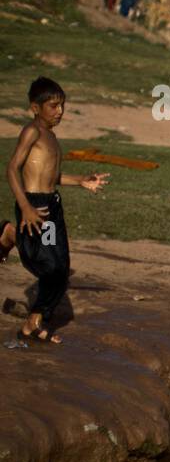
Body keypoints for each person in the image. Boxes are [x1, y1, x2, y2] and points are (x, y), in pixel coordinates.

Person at [4, 77, 109, 343]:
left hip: (51, 208)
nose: (60, 111)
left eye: (62, 105)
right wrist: (25, 207)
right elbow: (12, 168)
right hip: (34, 206)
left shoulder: (51, 137)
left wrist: (81, 180)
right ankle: (9, 234)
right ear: (35, 107)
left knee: (59, 266)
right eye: (53, 105)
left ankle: (34, 322)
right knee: (45, 263)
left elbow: (52, 175)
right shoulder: (33, 131)